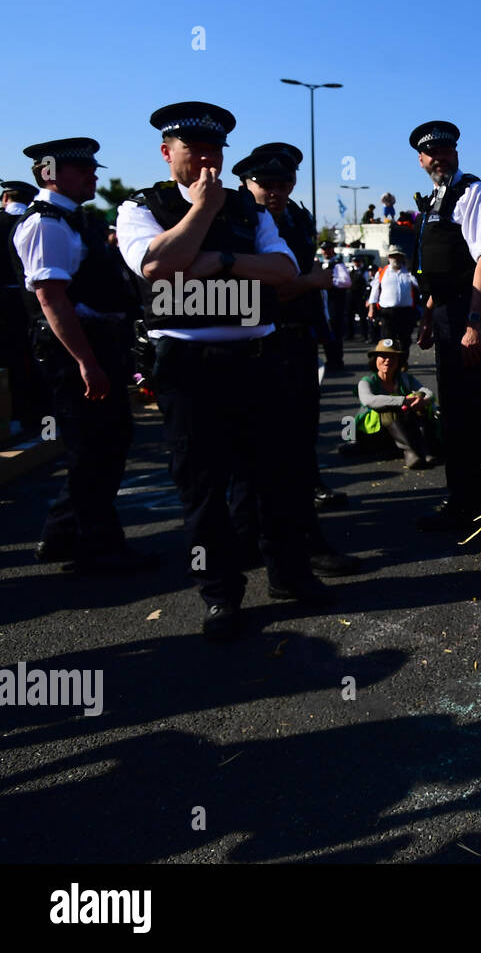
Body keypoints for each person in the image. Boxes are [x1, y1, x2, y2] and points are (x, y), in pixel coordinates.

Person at [116, 101, 331, 641]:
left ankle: (287, 574)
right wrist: (202, 214)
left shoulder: (252, 211)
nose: (208, 160)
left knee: (276, 478)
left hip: (257, 361)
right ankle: (221, 596)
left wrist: (222, 262)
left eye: (215, 150)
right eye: (195, 149)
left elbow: (284, 270)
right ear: (168, 153)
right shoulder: (142, 207)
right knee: (204, 491)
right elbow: (156, 265)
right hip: (189, 367)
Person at [9, 138, 157, 573]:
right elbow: (52, 300)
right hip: (76, 349)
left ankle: (61, 535)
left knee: (101, 446)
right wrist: (86, 363)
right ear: (50, 175)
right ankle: (100, 548)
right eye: (83, 170)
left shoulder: (73, 219)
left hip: (97, 343)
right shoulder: (47, 224)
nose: (94, 175)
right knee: (95, 449)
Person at [225, 142, 361, 577]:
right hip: (254, 343)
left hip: (296, 344)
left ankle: (303, 540)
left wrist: (322, 328)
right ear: (246, 183)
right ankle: (249, 541)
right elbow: (267, 290)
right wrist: (313, 281)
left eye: (285, 182)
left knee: (299, 447)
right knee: (252, 452)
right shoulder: (236, 221)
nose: (277, 191)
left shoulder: (299, 219)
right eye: (267, 183)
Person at [407, 119, 481, 533]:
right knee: (455, 411)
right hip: (448, 312)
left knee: (467, 410)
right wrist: (429, 314)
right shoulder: (433, 201)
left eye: (447, 150)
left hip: (470, 312)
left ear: (456, 153)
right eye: (432, 153)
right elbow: (443, 267)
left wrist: (474, 322)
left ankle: (475, 506)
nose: (440, 157)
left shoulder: (474, 192)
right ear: (421, 160)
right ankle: (469, 500)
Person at [353, 337, 438, 468]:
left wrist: (423, 399)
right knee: (387, 409)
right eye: (383, 356)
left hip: (403, 427)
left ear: (399, 362)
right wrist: (402, 400)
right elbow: (369, 400)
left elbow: (428, 392)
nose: (387, 360)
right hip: (375, 434)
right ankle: (411, 452)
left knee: (419, 401)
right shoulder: (366, 382)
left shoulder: (405, 379)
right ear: (375, 360)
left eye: (392, 357)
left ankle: (424, 450)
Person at [2, 179, 45, 432]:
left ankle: (11, 418)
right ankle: (37, 414)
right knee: (33, 357)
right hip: (30, 302)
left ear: (6, 198)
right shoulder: (34, 222)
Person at [366, 246, 419, 349]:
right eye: (394, 256)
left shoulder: (408, 272)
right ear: (389, 258)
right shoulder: (382, 272)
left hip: (405, 312)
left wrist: (412, 270)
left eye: (399, 256)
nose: (396, 259)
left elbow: (418, 285)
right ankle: (391, 364)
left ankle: (403, 363)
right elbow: (374, 292)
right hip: (387, 312)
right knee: (388, 341)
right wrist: (371, 309)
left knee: (405, 340)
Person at [319, 238, 353, 369]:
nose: (326, 252)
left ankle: (337, 360)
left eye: (328, 249)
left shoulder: (338, 264)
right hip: (324, 302)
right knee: (326, 331)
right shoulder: (321, 264)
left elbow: (346, 282)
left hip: (335, 302)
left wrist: (330, 282)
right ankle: (330, 359)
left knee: (336, 331)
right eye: (324, 249)